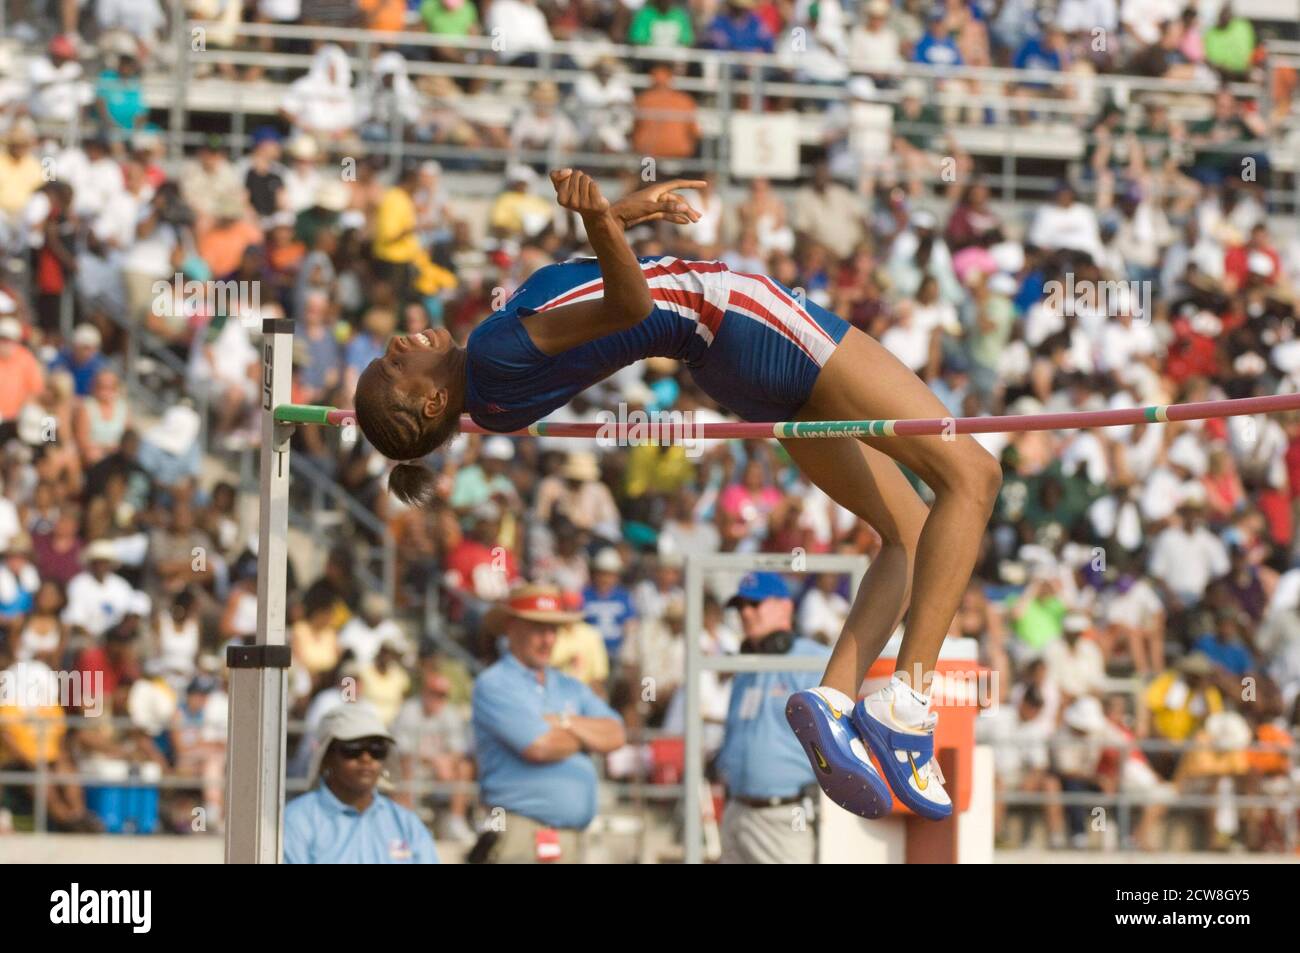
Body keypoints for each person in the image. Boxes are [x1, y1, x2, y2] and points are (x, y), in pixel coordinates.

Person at [352, 169, 1003, 823]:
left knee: (910, 532)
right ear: (433, 400)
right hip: (737, 316)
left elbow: (580, 293)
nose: (400, 343)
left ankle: (835, 701)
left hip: (727, 367)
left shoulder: (491, 400)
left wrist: (619, 214)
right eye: (397, 365)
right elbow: (630, 307)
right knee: (973, 476)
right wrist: (603, 223)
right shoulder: (493, 356)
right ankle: (907, 703)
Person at [470, 584, 626, 863]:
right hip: (519, 831)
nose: (548, 639)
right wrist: (587, 737)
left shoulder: (569, 685)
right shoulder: (494, 683)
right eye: (538, 629)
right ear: (512, 628)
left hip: (570, 836)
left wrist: (564, 723)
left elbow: (616, 734)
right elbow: (538, 746)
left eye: (553, 630)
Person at [716, 572, 828, 863]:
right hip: (737, 809)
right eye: (740, 606)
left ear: (785, 607)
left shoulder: (813, 661)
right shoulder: (749, 665)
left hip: (785, 814)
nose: (746, 613)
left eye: (755, 604)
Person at [283, 703, 439, 864]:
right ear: (326, 757)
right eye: (353, 748)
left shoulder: (407, 823)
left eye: (377, 749)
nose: (366, 758)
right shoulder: (297, 822)